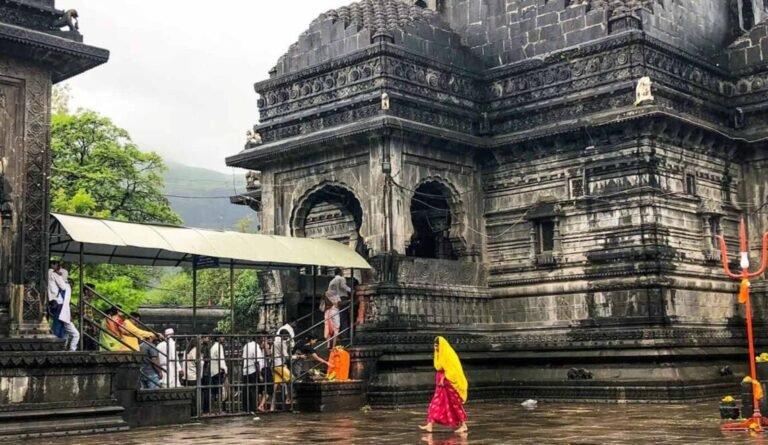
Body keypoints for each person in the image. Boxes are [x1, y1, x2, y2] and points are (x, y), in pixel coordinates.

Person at [419, 337, 469, 434]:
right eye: (435, 346)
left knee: (454, 404)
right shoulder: (439, 354)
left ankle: (463, 425)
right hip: (441, 385)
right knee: (436, 403)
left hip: (449, 383)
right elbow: (439, 366)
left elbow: (453, 370)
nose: (436, 348)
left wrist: (444, 378)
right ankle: (430, 424)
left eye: (438, 346)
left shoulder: (449, 355)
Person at [325, 268, 350, 348]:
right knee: (343, 318)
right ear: (340, 272)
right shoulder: (341, 279)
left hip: (330, 304)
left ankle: (329, 343)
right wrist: (351, 290)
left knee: (328, 324)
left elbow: (328, 293)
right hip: (341, 298)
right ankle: (344, 335)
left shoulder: (331, 281)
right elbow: (344, 286)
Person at [241, 336, 264, 413]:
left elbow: (243, 358)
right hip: (253, 370)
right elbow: (257, 362)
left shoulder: (246, 345)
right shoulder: (256, 347)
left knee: (246, 390)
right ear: (258, 339)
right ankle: (253, 408)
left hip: (245, 370)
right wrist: (259, 374)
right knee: (253, 390)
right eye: (261, 338)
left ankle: (245, 408)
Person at [272, 328, 292, 410]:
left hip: (274, 365)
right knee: (292, 379)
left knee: (275, 386)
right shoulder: (282, 344)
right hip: (280, 365)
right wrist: (297, 356)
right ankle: (288, 399)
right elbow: (286, 356)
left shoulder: (274, 343)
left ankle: (272, 407)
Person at [209, 334, 228, 411]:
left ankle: (215, 407)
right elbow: (221, 359)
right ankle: (219, 408)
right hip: (218, 371)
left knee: (215, 390)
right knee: (220, 390)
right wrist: (225, 369)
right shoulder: (219, 347)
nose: (223, 338)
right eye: (222, 337)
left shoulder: (213, 346)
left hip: (213, 371)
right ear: (218, 338)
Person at [258, 336, 273, 412]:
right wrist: (266, 346)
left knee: (262, 388)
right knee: (269, 387)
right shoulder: (264, 346)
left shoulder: (257, 347)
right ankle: (261, 405)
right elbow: (268, 354)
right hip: (265, 368)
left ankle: (262, 405)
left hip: (261, 368)